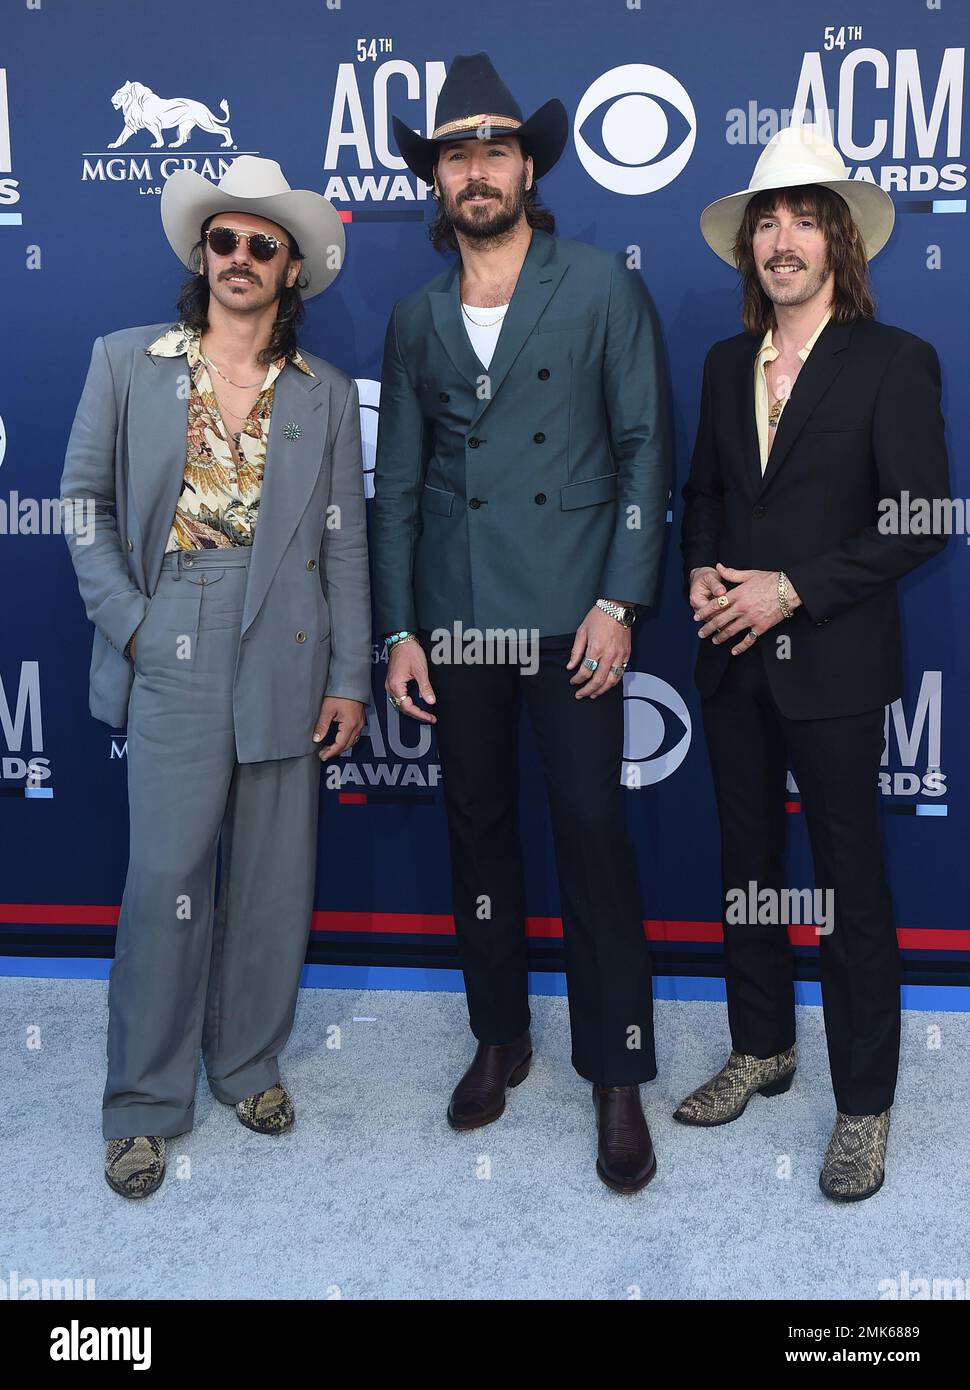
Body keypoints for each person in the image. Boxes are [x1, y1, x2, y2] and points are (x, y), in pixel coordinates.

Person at [373, 53, 671, 1193]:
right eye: (457, 154)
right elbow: (397, 482)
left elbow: (644, 446)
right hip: (457, 622)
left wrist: (618, 598)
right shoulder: (413, 318)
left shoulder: (598, 285)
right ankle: (498, 1035)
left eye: (496, 150)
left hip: (572, 614)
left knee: (593, 837)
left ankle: (616, 1070)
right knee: (476, 829)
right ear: (437, 181)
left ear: (528, 166)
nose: (478, 170)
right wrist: (400, 627)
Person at [60, 155, 371, 1198]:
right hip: (173, 623)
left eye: (261, 245)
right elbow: (81, 506)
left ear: (290, 272)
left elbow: (348, 548)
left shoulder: (322, 396)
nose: (238, 258)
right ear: (204, 256)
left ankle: (245, 1065)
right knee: (165, 880)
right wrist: (135, 624)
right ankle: (144, 1104)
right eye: (224, 240)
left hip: (287, 633)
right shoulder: (125, 362)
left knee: (275, 876)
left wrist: (348, 675)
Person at [678, 124, 950, 1200]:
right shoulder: (717, 363)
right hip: (730, 661)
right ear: (748, 246)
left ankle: (863, 1103)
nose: (781, 239)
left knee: (850, 889)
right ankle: (761, 1047)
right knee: (746, 872)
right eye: (766, 222)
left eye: (801, 219)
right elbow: (702, 492)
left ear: (836, 240)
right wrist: (703, 569)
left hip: (831, 661)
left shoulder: (893, 361)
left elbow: (919, 518)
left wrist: (791, 587)